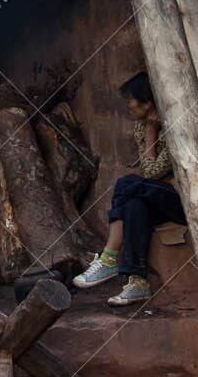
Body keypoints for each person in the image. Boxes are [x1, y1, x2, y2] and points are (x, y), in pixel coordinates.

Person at [73, 72, 186, 306]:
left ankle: (110, 258)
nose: (128, 106)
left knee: (126, 184)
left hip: (184, 202)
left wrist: (153, 131)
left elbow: (152, 172)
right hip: (158, 196)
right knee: (134, 206)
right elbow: (149, 172)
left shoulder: (174, 126)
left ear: (148, 102)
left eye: (131, 100)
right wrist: (148, 131)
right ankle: (137, 282)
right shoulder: (141, 127)